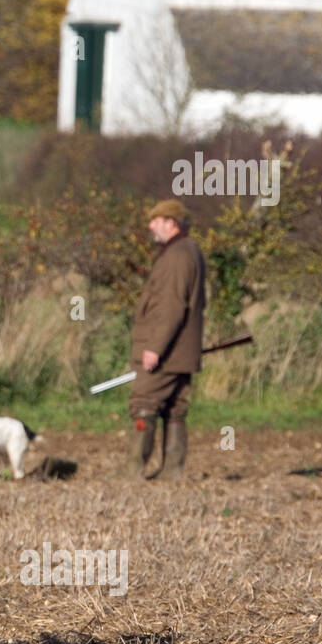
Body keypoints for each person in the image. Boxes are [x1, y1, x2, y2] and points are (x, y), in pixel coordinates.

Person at [128, 199, 206, 480]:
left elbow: (171, 307)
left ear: (171, 224)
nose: (150, 226)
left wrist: (154, 348)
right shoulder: (188, 251)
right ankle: (172, 471)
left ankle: (133, 471)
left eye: (156, 220)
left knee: (143, 405)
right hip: (181, 351)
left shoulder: (177, 256)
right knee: (174, 409)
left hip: (166, 351)